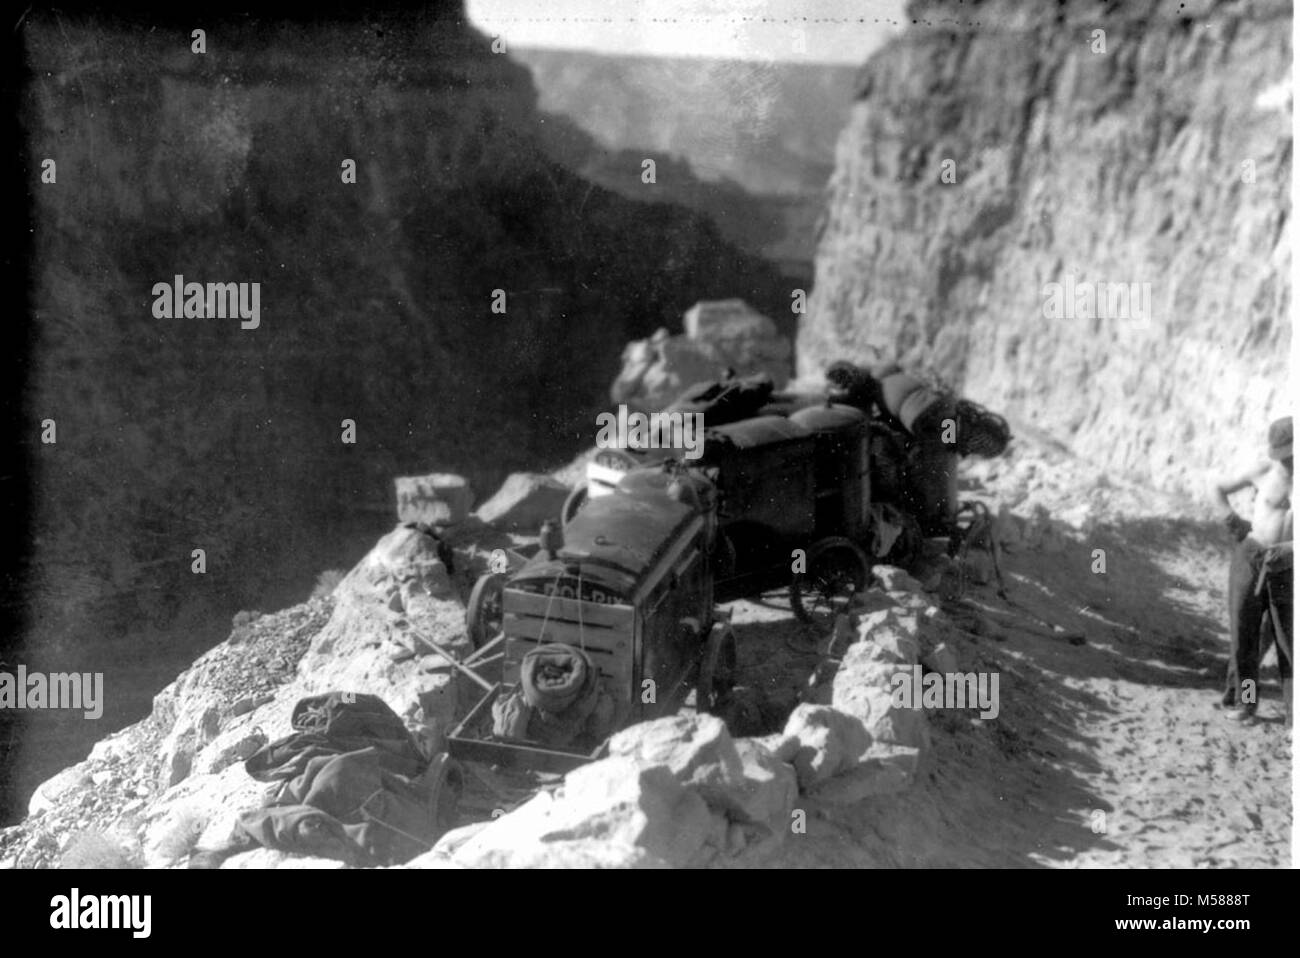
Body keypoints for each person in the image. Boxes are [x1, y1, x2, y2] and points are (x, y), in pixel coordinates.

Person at [1212, 415, 1293, 722]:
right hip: (1252, 556)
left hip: (1288, 566)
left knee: (1289, 641)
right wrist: (1233, 523)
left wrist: (1289, 549)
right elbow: (1216, 487)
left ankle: (1293, 715)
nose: (1287, 461)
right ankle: (1245, 703)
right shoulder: (1263, 470)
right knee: (1244, 635)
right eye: (1283, 455)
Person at [825, 359, 959, 536]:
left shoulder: (877, 390)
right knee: (941, 466)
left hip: (928, 423)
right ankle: (941, 518)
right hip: (944, 416)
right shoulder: (892, 383)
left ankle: (935, 523)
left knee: (931, 470)